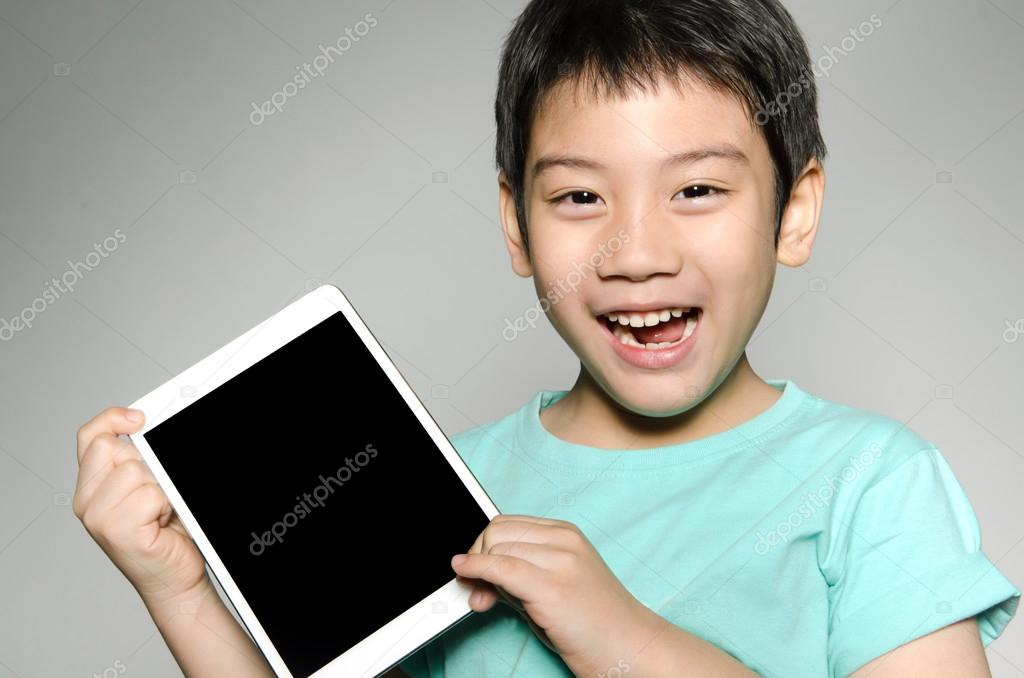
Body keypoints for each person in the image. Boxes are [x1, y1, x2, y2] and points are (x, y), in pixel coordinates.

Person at [73, 1, 1019, 676]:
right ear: (517, 225)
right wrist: (182, 593)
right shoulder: (439, 487)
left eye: (697, 189)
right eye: (578, 196)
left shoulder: (871, 484)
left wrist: (625, 642)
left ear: (794, 211)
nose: (636, 253)